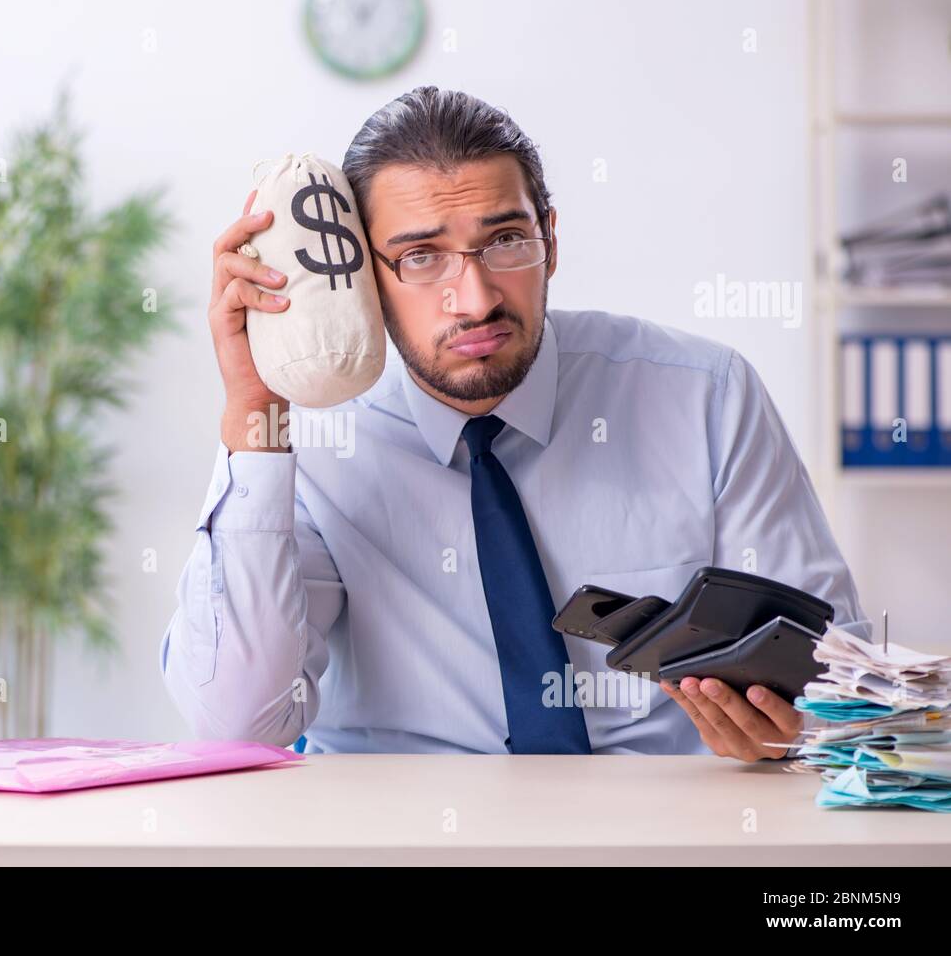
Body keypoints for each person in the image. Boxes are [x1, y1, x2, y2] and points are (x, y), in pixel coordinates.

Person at [159, 85, 870, 760]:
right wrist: (255, 411)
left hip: (654, 820)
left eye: (505, 241)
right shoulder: (316, 441)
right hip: (398, 825)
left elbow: (840, 682)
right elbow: (240, 724)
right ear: (365, 277)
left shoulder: (705, 397)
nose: (474, 300)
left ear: (549, 240)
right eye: (420, 256)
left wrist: (798, 729)